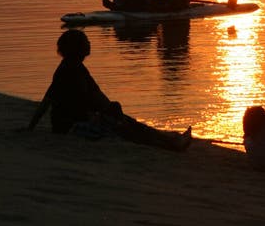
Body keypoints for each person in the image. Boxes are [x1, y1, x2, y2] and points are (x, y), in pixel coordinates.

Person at [27, 29, 192, 151]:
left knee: (128, 122)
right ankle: (171, 144)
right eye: (86, 41)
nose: (89, 44)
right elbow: (50, 100)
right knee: (126, 129)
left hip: (80, 119)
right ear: (78, 48)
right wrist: (30, 128)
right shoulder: (68, 70)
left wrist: (109, 108)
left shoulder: (74, 67)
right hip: (73, 125)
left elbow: (92, 97)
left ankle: (171, 141)